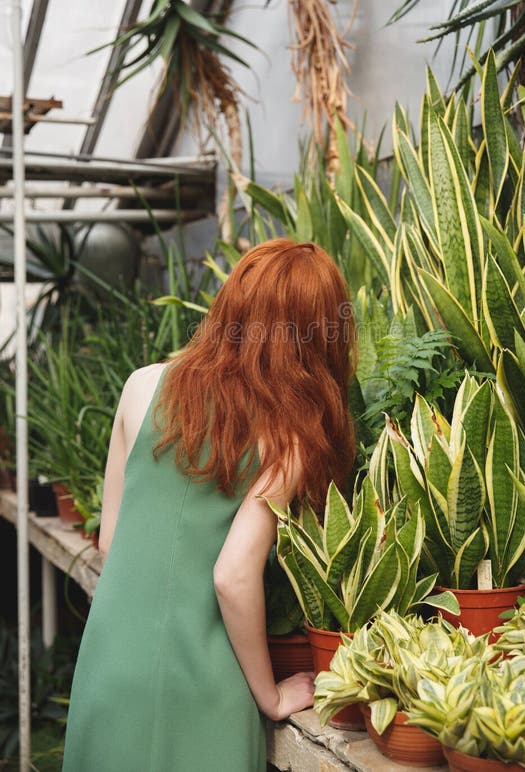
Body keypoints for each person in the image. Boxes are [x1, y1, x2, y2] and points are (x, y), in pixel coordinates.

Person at [62, 239, 356, 772]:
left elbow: (110, 540)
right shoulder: (288, 437)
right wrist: (271, 696)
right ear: (316, 337)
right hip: (202, 682)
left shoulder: (141, 387)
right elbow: (232, 575)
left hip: (108, 662)